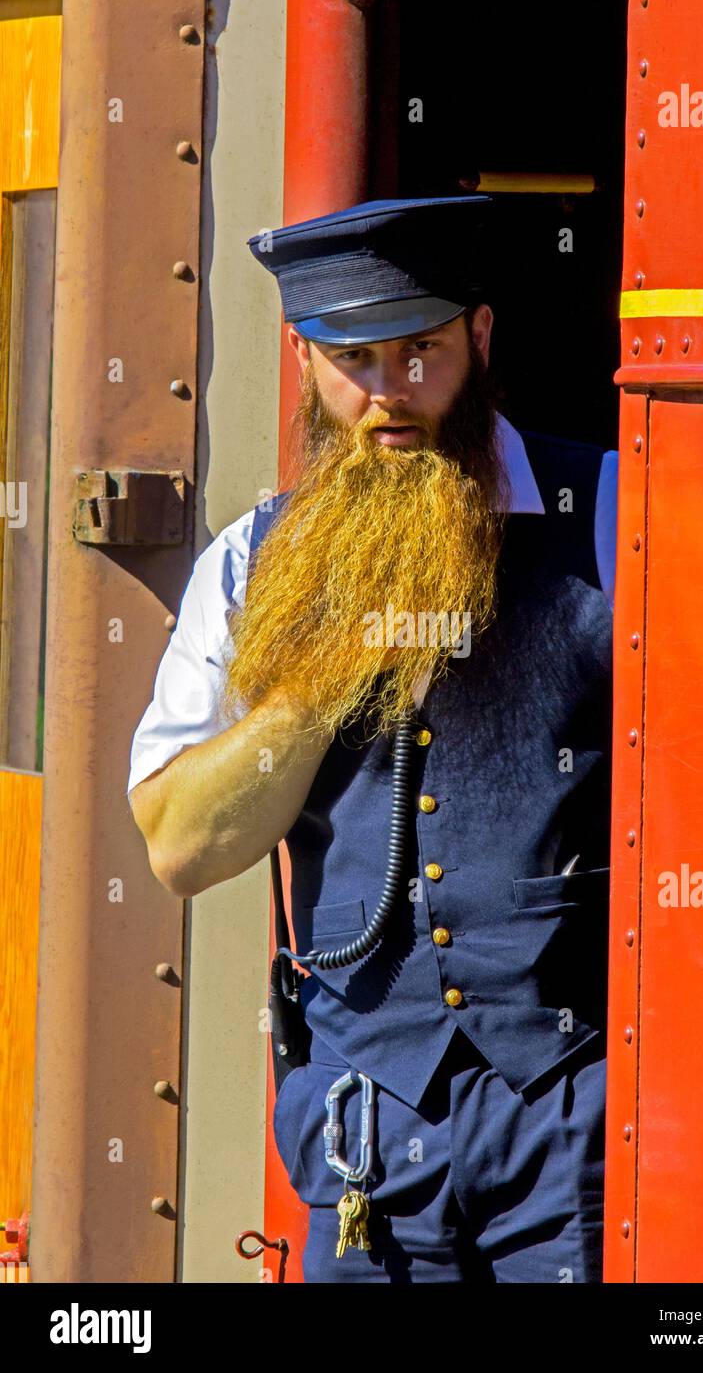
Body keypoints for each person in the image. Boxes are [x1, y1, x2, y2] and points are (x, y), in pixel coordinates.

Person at [128, 196, 618, 1283]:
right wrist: (322, 679)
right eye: (354, 358)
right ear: (304, 359)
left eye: (420, 352)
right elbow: (182, 846)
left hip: (575, 1124)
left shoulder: (609, 510)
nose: (388, 393)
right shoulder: (251, 562)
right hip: (363, 1131)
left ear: (479, 338)